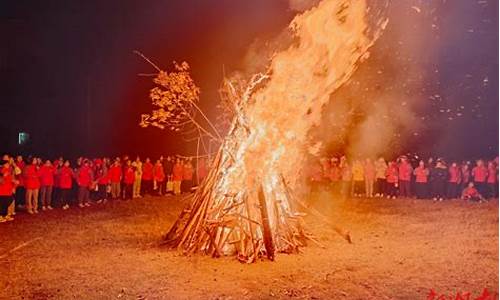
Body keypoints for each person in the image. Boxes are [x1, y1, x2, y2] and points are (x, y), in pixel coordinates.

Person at [0, 157, 16, 222]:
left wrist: (14, 182)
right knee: (2, 203)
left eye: (8, 164)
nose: (8, 165)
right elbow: (1, 181)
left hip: (8, 189)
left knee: (8, 202)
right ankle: (0, 216)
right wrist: (3, 176)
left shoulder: (9, 170)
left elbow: (10, 179)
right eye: (6, 164)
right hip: (2, 190)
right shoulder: (1, 170)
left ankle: (5, 215)